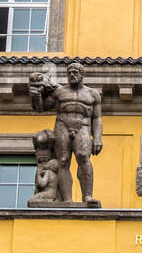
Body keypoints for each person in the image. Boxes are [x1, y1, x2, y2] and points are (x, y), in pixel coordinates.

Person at [29, 62, 102, 206]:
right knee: (63, 161)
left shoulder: (92, 94)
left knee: (83, 157)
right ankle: (67, 199)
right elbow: (41, 108)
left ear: (82, 75)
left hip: (83, 127)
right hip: (62, 125)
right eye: (70, 73)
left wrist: (98, 138)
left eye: (75, 73)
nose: (72, 76)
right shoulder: (60, 92)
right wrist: (36, 95)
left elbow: (97, 118)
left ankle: (87, 196)